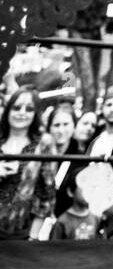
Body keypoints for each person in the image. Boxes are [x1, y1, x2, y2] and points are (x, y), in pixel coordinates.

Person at [0, 88, 56, 240]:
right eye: (16, 108)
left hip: (18, 231)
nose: (22, 113)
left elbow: (47, 193)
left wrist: (33, 236)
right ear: (8, 110)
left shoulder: (43, 144)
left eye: (29, 109)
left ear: (35, 114)